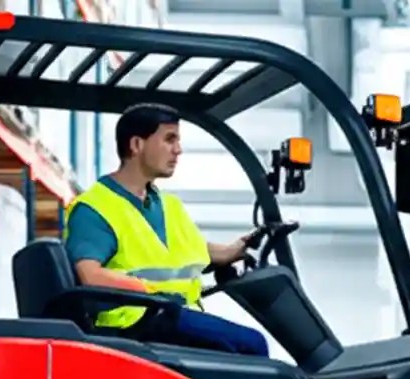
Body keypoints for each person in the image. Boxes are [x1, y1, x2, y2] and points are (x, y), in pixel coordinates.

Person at [63, 103, 270, 357]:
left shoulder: (167, 205)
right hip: (136, 324)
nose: (178, 150)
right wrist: (152, 292)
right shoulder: (95, 207)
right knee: (251, 346)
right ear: (137, 145)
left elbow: (186, 253)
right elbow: (90, 275)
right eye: (169, 139)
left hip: (170, 316)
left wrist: (233, 250)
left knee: (234, 348)